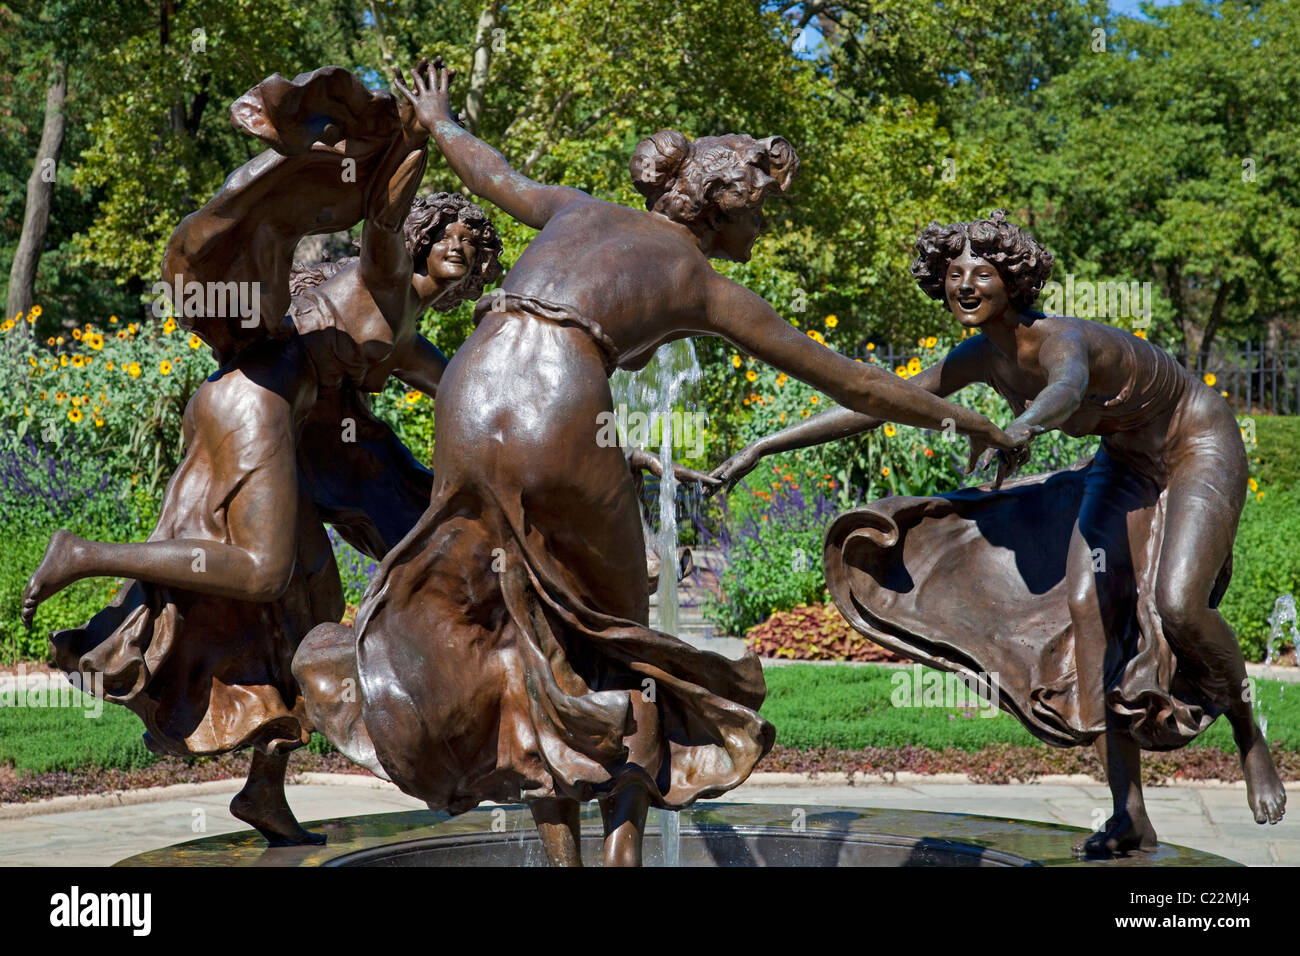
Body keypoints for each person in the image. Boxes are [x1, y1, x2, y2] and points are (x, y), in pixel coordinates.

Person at [294, 58, 1018, 867]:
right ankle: (624, 851)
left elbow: (491, 171)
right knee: (625, 635)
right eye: (762, 214)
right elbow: (853, 380)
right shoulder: (699, 280)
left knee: (514, 619)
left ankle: (556, 845)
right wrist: (963, 416)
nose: (764, 232)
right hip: (557, 396)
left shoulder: (578, 209)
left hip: (472, 384)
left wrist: (441, 118)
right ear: (722, 207)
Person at [21, 66, 503, 846]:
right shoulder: (381, 279)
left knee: (304, 614)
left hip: (286, 417)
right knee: (261, 570)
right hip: (253, 400)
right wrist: (417, 137)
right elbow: (384, 219)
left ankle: (264, 790)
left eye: (481, 251)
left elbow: (470, 400)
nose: (471, 253)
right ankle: (86, 554)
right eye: (458, 237)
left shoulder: (411, 335)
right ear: (425, 235)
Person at [711, 210, 1286, 856]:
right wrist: (764, 445)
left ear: (1011, 279)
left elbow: (1066, 391)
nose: (964, 284)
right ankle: (1130, 815)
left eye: (980, 272)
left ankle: (1247, 733)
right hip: (1124, 465)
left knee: (1181, 605)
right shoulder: (980, 356)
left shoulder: (1060, 339)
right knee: (1087, 611)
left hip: (1196, 444)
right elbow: (877, 399)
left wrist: (1025, 428)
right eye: (953, 273)